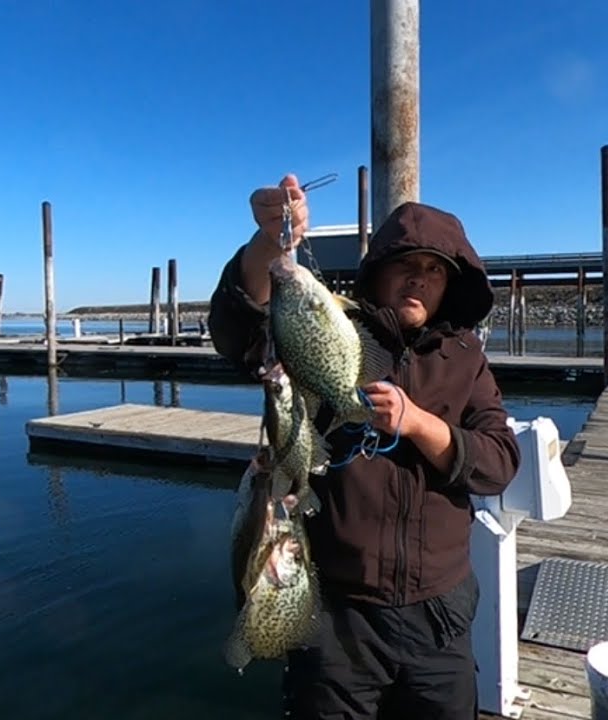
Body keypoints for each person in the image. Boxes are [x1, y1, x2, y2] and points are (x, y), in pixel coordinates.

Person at [208, 174, 521, 719]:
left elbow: (499, 464)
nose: (418, 281)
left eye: (433, 271)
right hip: (337, 616)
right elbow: (240, 330)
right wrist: (270, 243)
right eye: (405, 265)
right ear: (377, 273)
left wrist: (422, 424)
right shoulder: (335, 327)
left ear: (451, 284)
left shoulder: (466, 358)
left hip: (439, 612)